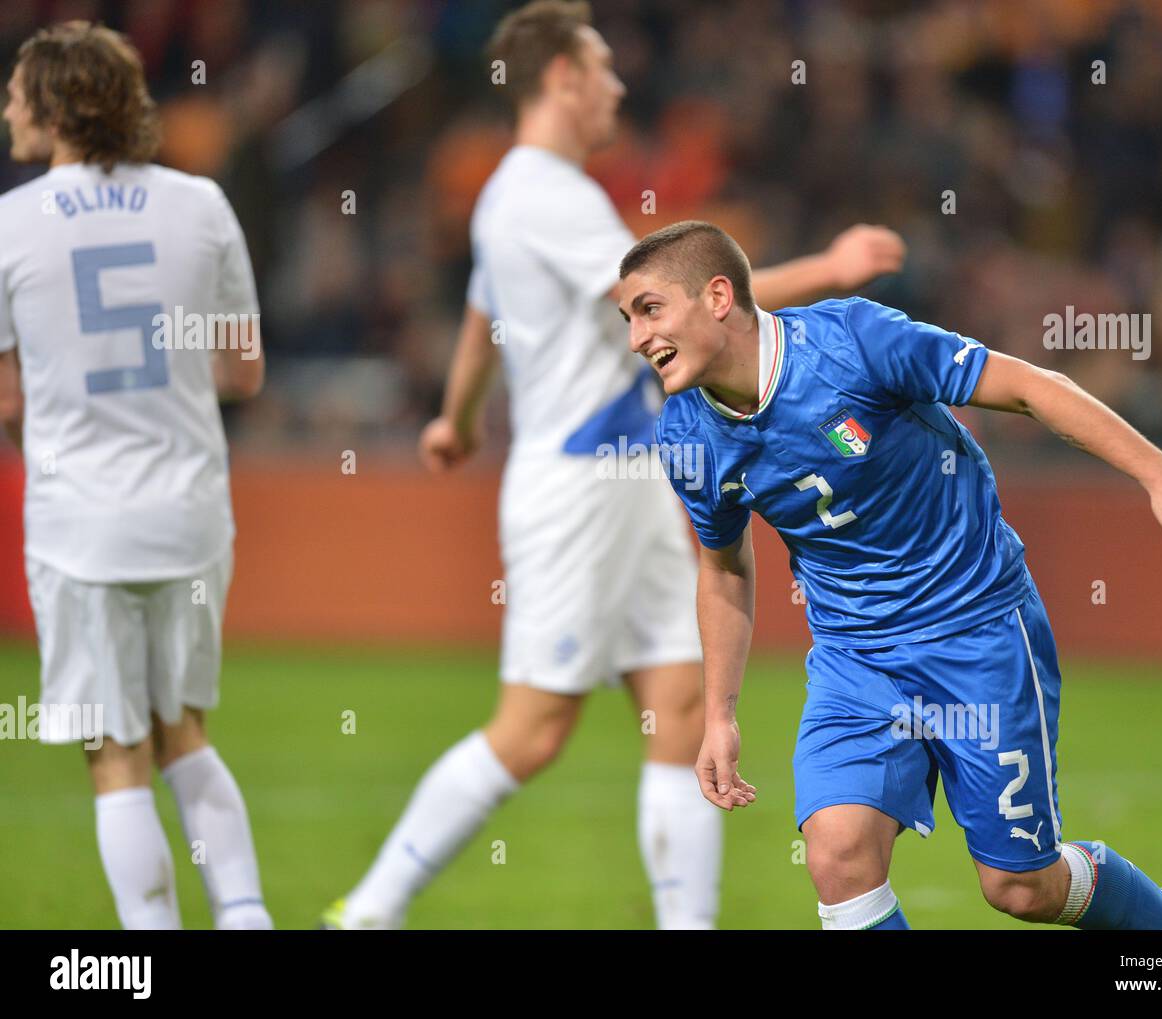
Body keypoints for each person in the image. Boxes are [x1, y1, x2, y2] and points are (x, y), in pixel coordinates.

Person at [324, 0, 905, 930]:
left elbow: (482, 316)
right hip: (581, 486)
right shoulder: (544, 192)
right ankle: (367, 913)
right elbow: (665, 300)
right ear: (559, 79)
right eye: (600, 67)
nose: (617, 85)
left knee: (678, 707)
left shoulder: (524, 194)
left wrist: (455, 418)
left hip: (628, 478)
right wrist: (831, 270)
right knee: (533, 728)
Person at [620, 219, 1162, 930]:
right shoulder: (685, 433)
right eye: (627, 318)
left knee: (1020, 887)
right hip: (856, 659)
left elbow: (1030, 385)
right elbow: (723, 567)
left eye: (649, 309)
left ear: (718, 295)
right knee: (836, 854)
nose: (635, 337)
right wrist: (719, 711)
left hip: (978, 632)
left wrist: (1160, 475)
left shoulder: (854, 343)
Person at [0, 22, 270, 930]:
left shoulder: (9, 223)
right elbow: (244, 373)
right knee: (183, 734)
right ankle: (244, 917)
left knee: (113, 751)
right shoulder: (201, 203)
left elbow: (6, 398)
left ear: (51, 106)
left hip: (81, 526)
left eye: (15, 92)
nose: (5, 107)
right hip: (191, 511)